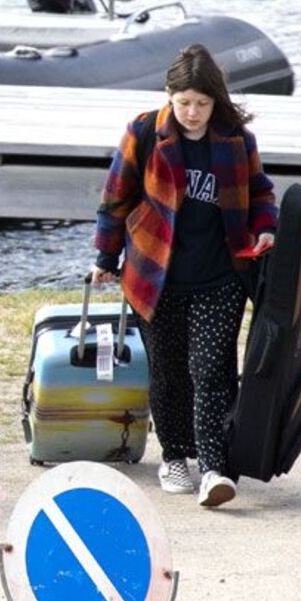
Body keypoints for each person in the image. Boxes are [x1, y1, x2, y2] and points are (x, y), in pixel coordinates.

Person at [92, 43, 277, 509]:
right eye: (184, 102)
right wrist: (105, 257)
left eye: (203, 103)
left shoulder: (235, 139)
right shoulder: (144, 132)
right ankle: (175, 455)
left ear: (216, 101)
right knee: (170, 373)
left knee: (211, 370)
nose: (193, 113)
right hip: (155, 276)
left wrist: (265, 229)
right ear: (168, 95)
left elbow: (260, 193)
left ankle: (215, 466)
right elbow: (116, 198)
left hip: (220, 276)